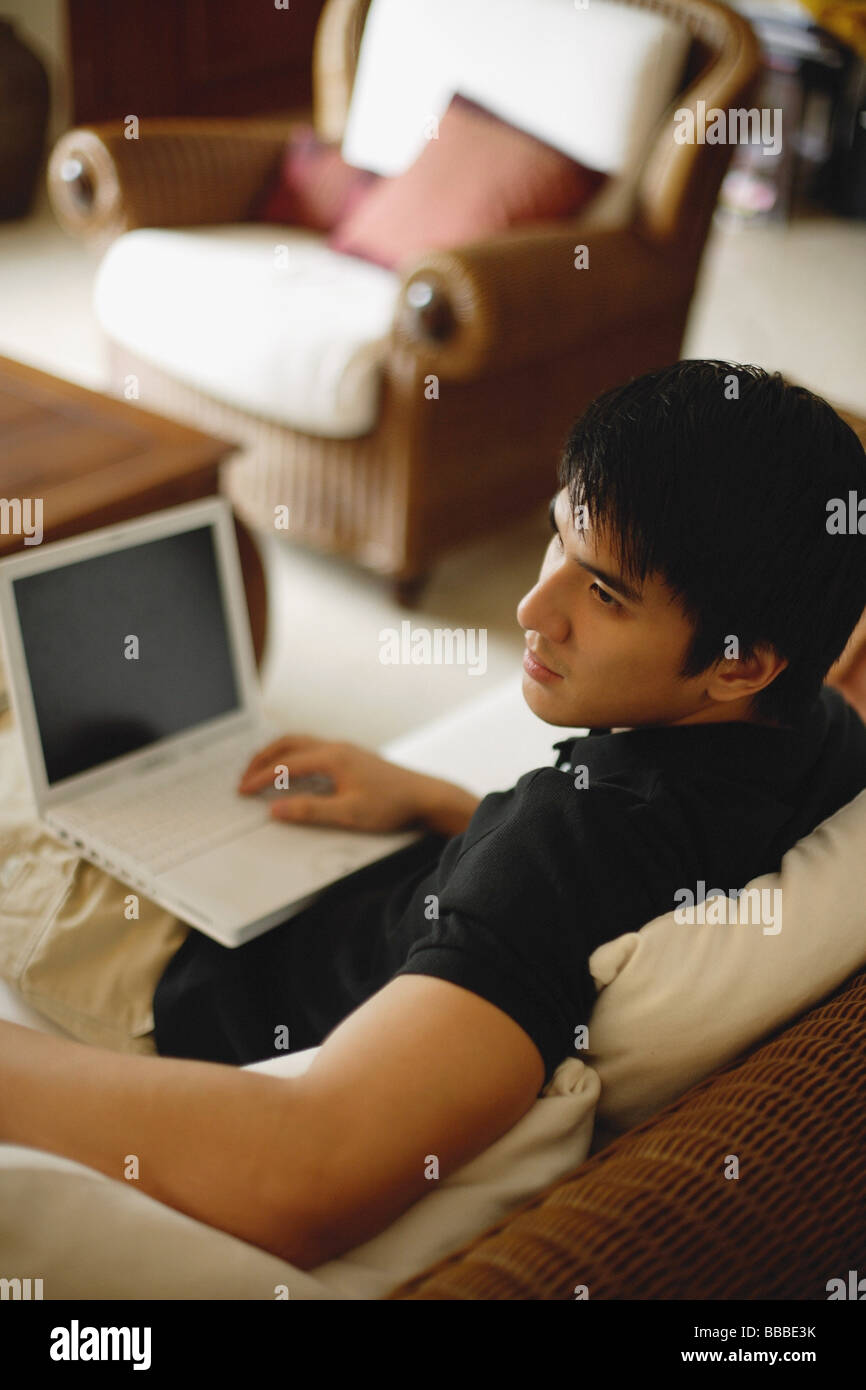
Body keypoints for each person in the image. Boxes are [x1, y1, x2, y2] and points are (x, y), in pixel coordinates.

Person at [2, 361, 865, 1273]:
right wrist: (442, 806)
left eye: (604, 595)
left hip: (195, 978)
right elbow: (594, 892)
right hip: (359, 889)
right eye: (555, 540)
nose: (534, 609)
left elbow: (307, 1167)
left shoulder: (563, 847)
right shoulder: (823, 737)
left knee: (31, 742)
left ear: (739, 665)